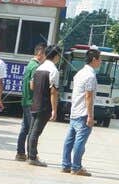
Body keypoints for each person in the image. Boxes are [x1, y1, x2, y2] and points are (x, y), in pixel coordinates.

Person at [60, 48, 100, 176]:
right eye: (99, 59)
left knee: (70, 140)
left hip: (75, 110)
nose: (100, 62)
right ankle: (76, 167)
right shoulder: (90, 76)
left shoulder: (80, 73)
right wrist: (90, 116)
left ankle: (66, 165)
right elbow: (88, 96)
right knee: (80, 141)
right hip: (83, 113)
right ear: (94, 59)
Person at [24, 47, 61, 166]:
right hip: (44, 106)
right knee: (36, 132)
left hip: (34, 103)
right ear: (56, 56)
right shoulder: (54, 70)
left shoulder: (39, 68)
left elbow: (31, 86)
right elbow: (53, 92)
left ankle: (30, 155)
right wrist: (54, 110)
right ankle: (33, 157)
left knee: (31, 132)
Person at [15, 41, 48, 162]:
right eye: (45, 54)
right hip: (31, 102)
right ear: (40, 53)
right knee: (32, 130)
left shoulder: (30, 64)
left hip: (26, 100)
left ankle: (20, 153)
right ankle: (32, 155)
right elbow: (32, 85)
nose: (46, 57)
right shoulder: (36, 67)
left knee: (25, 128)